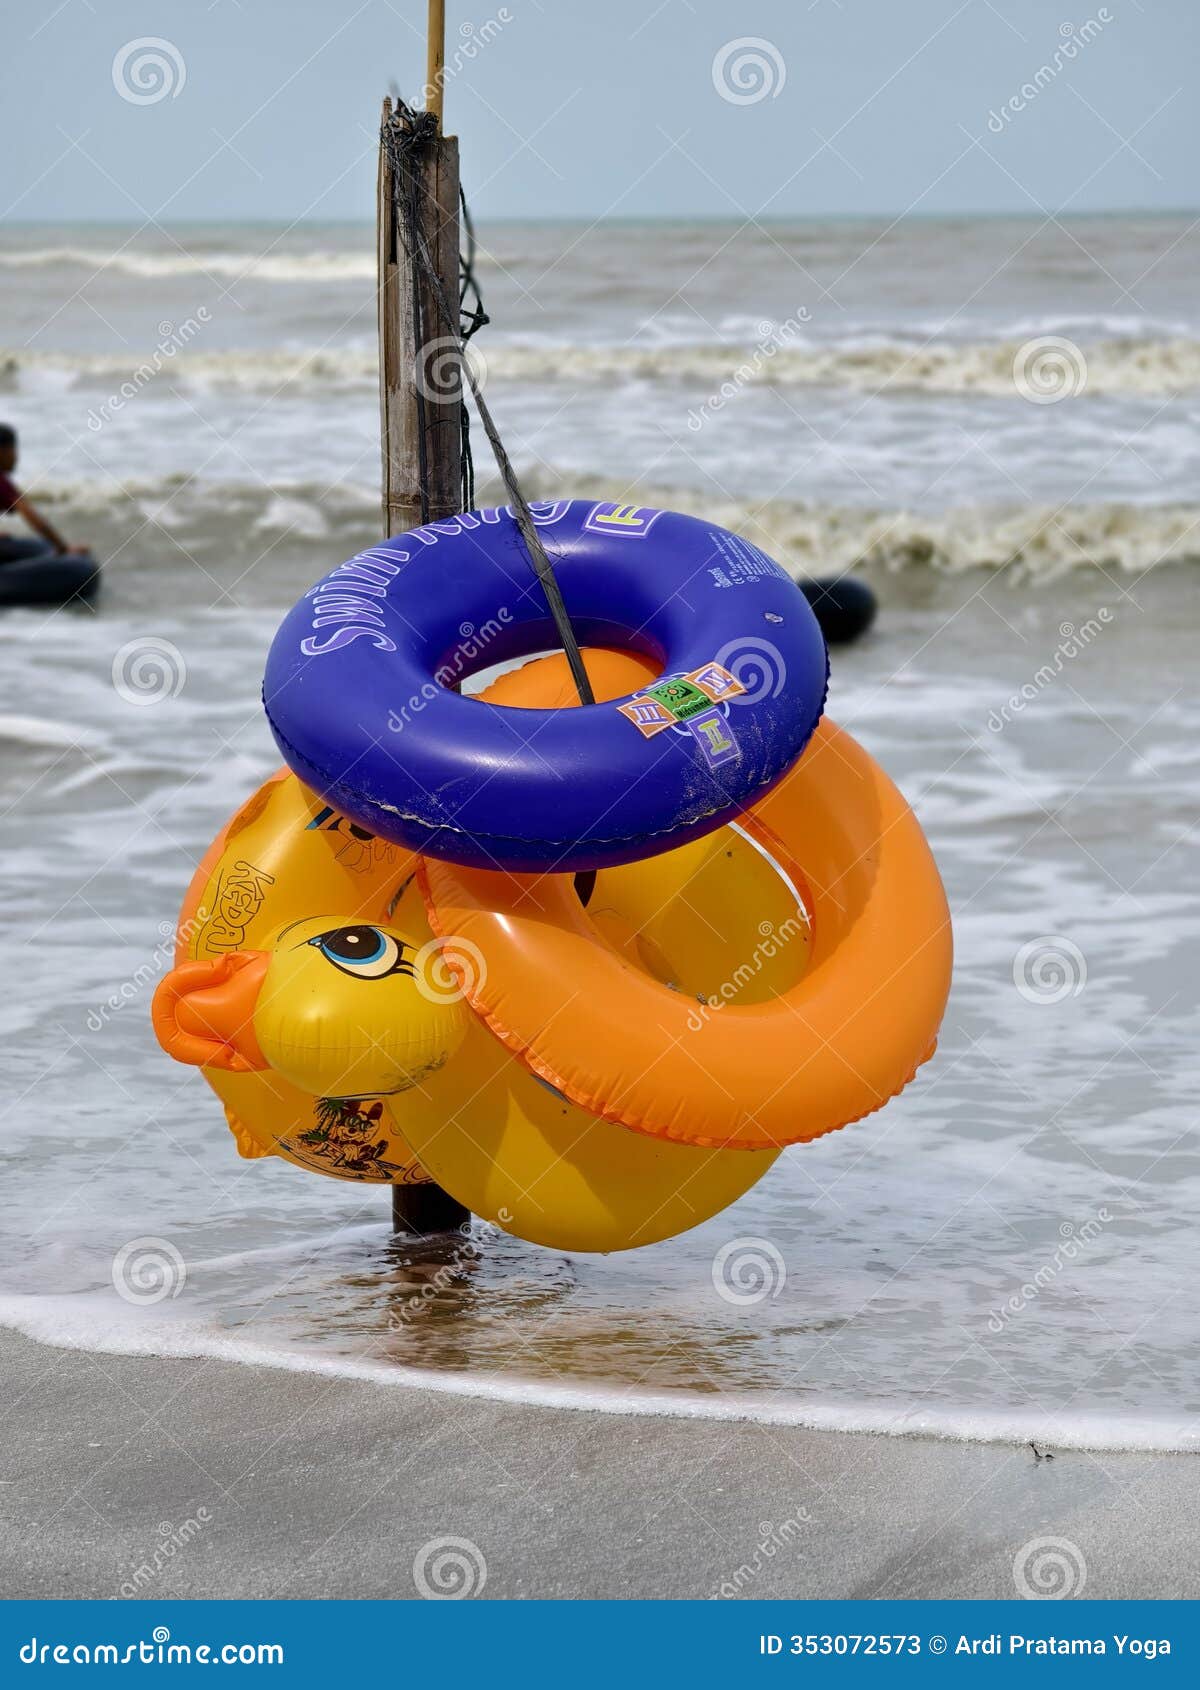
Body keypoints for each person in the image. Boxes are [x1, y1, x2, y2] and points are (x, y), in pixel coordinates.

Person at [0, 424, 92, 568]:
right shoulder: (2, 483)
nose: (16, 457)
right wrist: (64, 549)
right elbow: (34, 519)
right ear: (3, 451)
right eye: (13, 450)